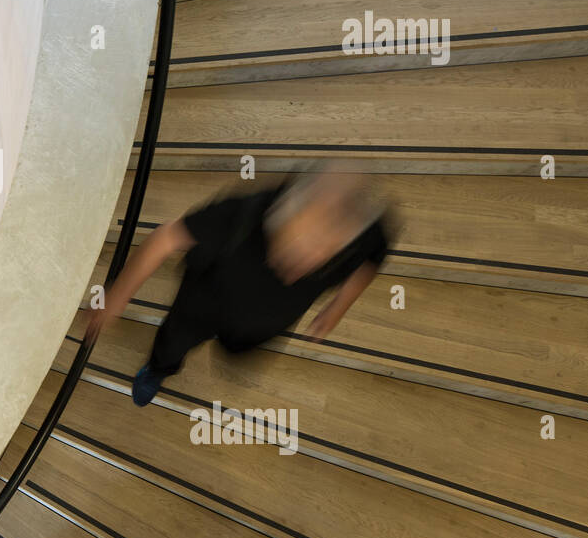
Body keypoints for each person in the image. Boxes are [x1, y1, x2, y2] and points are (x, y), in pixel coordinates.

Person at [86, 167, 390, 406]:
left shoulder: (364, 236)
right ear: (278, 215)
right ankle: (158, 370)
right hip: (201, 305)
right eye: (295, 247)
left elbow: (373, 259)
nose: (301, 264)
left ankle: (228, 345)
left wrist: (339, 305)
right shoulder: (242, 214)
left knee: (238, 350)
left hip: (261, 324)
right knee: (172, 344)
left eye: (321, 253)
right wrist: (117, 297)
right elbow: (166, 237)